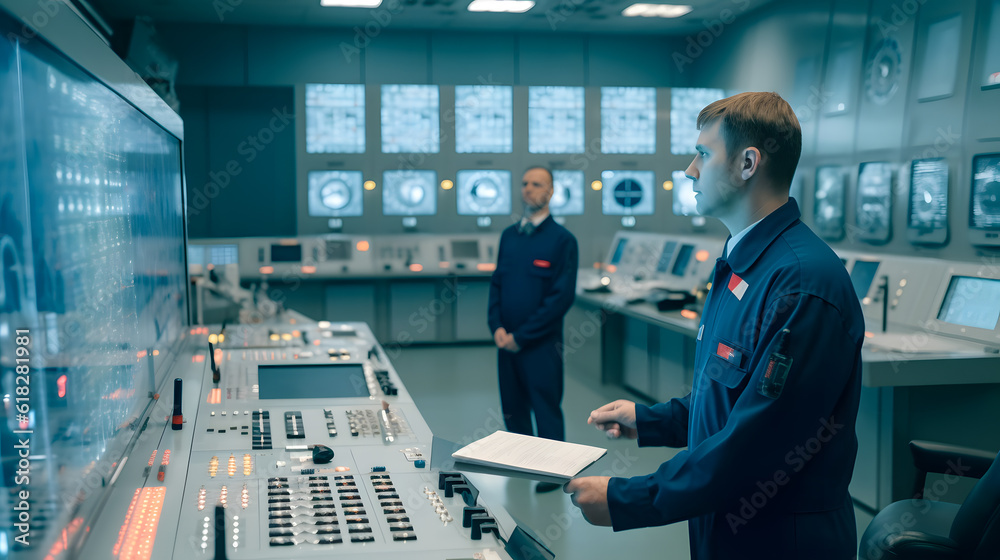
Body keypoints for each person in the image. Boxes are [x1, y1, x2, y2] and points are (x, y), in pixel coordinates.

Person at [564, 92, 865, 558]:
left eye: (703, 153)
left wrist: (630, 499)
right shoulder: (742, 265)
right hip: (724, 525)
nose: (690, 169)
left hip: (779, 540)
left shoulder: (802, 285)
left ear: (748, 163)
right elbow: (726, 403)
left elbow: (757, 444)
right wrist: (650, 422)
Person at [488, 166, 579, 493]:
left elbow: (560, 298)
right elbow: (496, 285)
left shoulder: (562, 241)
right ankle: (522, 463)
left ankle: (554, 473)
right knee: (513, 408)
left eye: (537, 184)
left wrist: (521, 336)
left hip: (541, 345)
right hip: (506, 342)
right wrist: (496, 327)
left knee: (545, 406)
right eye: (525, 183)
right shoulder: (510, 236)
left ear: (551, 192)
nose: (528, 189)